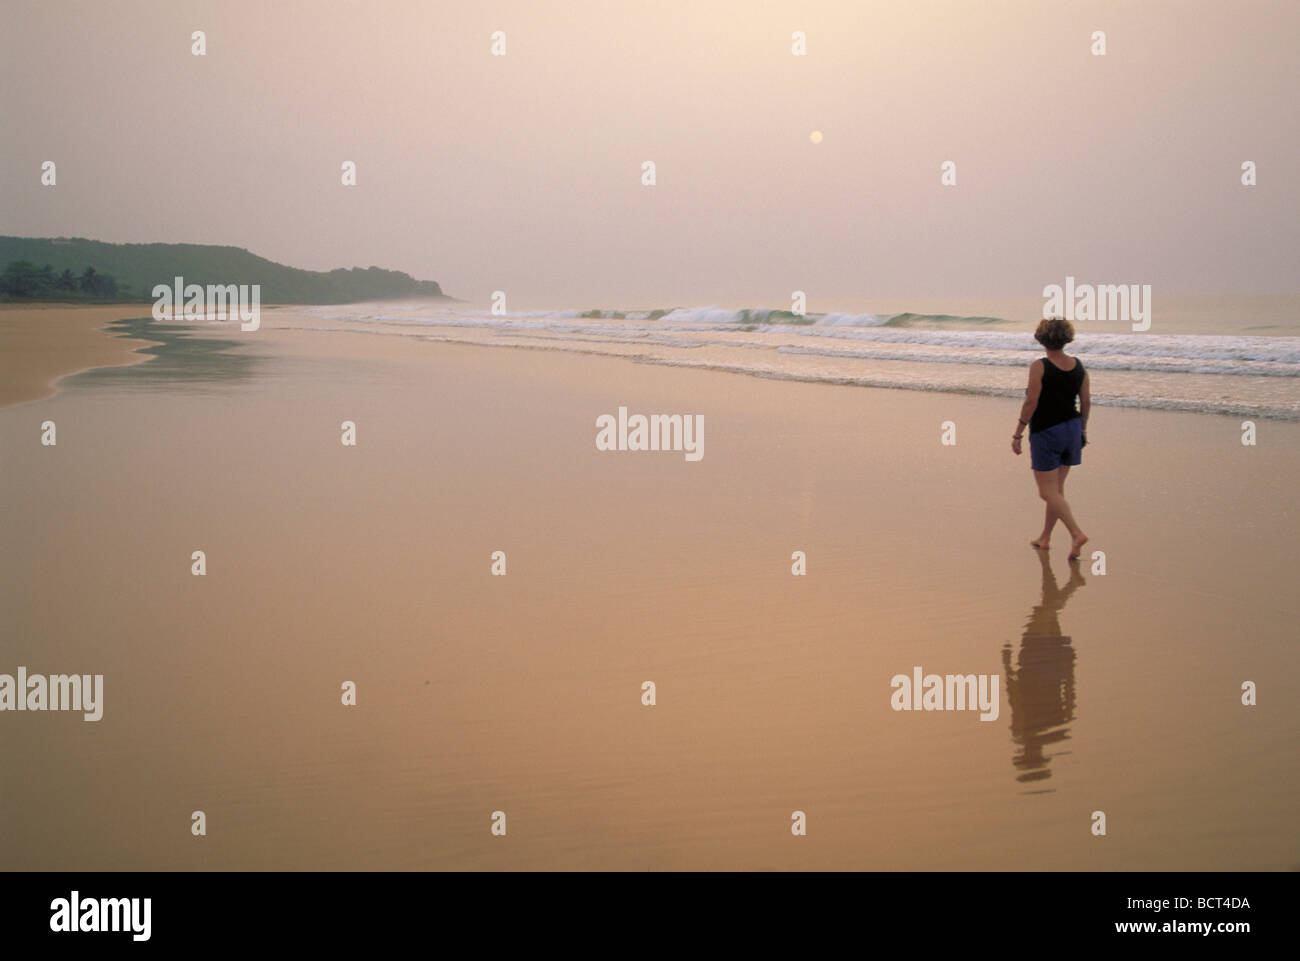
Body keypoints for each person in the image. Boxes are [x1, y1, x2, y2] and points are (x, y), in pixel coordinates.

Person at [1011, 317, 1089, 558]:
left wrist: (1019, 431)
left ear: (1041, 338)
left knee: (1047, 492)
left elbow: (1031, 401)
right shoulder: (1078, 366)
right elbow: (1085, 402)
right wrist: (1083, 430)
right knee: (1057, 491)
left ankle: (1077, 533)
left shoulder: (1040, 366)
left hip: (1047, 431)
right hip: (1072, 429)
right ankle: (1045, 537)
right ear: (1067, 337)